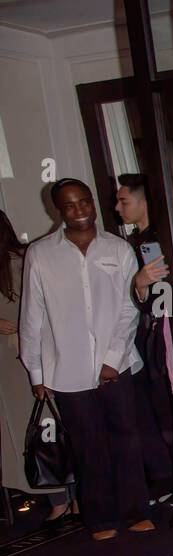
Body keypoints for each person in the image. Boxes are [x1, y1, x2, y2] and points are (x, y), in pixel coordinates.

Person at [19, 179, 153, 541]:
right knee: (88, 444)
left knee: (126, 439)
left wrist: (112, 358)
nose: (79, 211)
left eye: (84, 202)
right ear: (57, 211)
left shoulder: (119, 248)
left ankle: (137, 510)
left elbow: (130, 308)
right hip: (66, 367)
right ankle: (101, 518)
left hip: (119, 362)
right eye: (69, 205)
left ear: (94, 203)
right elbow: (32, 314)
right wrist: (35, 370)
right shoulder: (41, 253)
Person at [116, 173, 173, 526]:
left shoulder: (164, 240)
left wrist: (142, 287)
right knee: (159, 413)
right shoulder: (133, 241)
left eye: (124, 201)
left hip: (166, 338)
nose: (117, 208)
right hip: (145, 338)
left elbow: (164, 298)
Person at [1, 209, 75, 522]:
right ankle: (60, 496)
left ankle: (68, 495)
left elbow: (43, 307)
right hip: (10, 364)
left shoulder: (23, 260)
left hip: (30, 355)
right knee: (31, 429)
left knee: (50, 426)